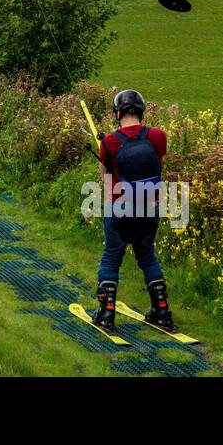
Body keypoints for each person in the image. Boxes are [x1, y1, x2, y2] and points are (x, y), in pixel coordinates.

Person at [91, 89, 178, 334]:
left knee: (111, 256)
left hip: (119, 207)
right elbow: (157, 165)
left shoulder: (108, 142)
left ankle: (106, 314)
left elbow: (105, 178)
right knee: (147, 255)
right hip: (149, 207)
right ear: (141, 111)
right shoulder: (158, 137)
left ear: (117, 113)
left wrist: (106, 157)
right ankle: (161, 310)